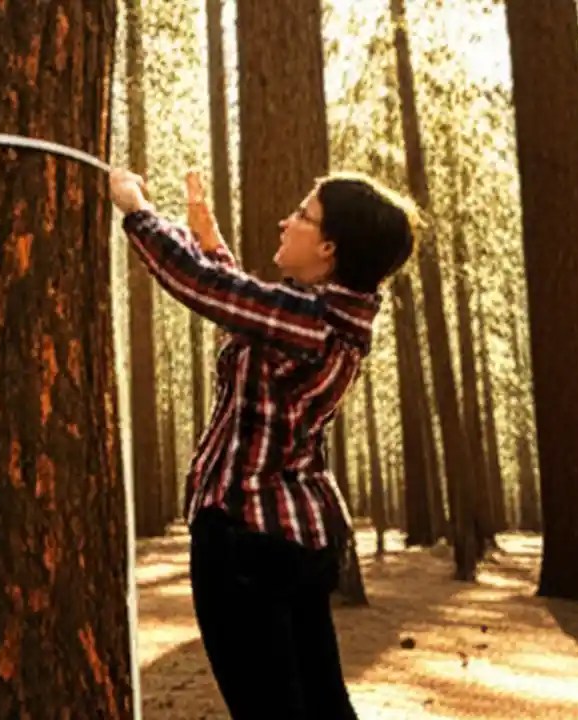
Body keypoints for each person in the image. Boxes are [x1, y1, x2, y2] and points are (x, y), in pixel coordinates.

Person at [109, 167, 418, 719]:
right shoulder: (324, 320)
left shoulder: (310, 323)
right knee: (319, 707)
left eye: (303, 215)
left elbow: (209, 290)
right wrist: (206, 234)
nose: (286, 220)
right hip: (289, 539)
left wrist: (136, 211)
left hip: (244, 543)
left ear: (328, 248)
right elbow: (245, 308)